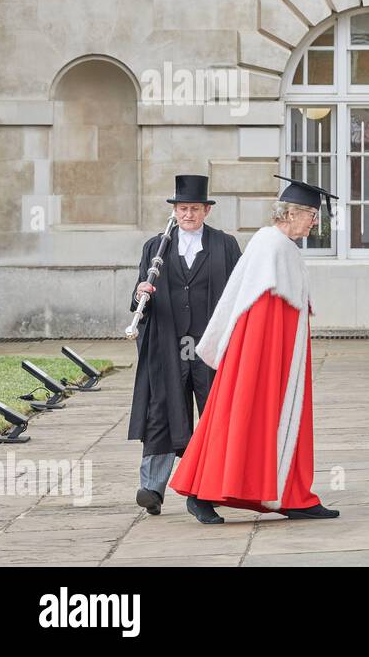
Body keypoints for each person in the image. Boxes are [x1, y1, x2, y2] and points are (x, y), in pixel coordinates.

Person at [169, 175, 340, 523]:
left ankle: (291, 495)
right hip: (261, 359)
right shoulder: (271, 245)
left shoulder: (281, 246)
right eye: (311, 215)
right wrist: (262, 364)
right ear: (291, 214)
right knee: (240, 419)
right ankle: (202, 494)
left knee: (268, 423)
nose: (315, 222)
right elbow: (258, 312)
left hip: (279, 357)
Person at [129, 175, 241, 516]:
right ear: (175, 211)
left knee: (213, 414)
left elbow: (239, 293)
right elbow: (139, 294)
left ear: (206, 210)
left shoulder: (225, 245)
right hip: (168, 342)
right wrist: (140, 294)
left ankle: (204, 490)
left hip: (208, 345)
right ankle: (152, 488)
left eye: (194, 208)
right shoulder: (156, 247)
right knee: (161, 411)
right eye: (182, 208)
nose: (188, 214)